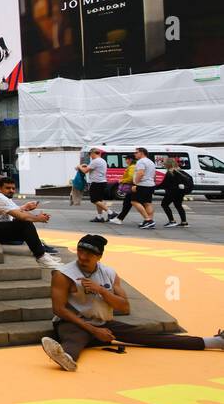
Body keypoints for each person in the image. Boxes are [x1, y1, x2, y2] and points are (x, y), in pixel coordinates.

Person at [41, 233, 224, 371]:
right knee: (74, 338)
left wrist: (102, 290)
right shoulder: (63, 274)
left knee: (148, 336)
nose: (82, 257)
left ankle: (214, 342)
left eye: (89, 254)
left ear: (99, 256)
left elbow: (124, 306)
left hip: (103, 323)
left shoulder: (110, 273)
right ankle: (66, 358)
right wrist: (93, 330)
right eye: (80, 251)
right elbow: (59, 309)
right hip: (73, 322)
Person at [0, 177, 64, 269]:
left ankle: (42, 253)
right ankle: (41, 257)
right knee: (25, 224)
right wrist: (38, 218)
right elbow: (21, 216)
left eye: (13, 188)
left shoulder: (4, 197)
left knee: (25, 226)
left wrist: (26, 207)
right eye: (8, 188)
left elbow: (17, 211)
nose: (11, 190)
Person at [130, 147, 157, 229]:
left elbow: (140, 173)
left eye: (136, 152)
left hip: (142, 185)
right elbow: (154, 174)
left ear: (141, 153)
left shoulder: (141, 162)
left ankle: (148, 219)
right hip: (150, 184)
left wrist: (136, 183)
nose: (134, 154)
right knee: (147, 203)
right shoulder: (150, 162)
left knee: (134, 201)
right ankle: (150, 221)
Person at [79, 147, 109, 223]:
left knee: (94, 200)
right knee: (99, 200)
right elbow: (92, 169)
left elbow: (85, 171)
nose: (90, 156)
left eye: (90, 154)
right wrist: (86, 166)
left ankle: (111, 213)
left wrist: (79, 167)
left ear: (93, 153)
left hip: (96, 183)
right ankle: (100, 217)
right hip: (102, 182)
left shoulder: (95, 161)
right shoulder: (102, 160)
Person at [162, 160, 193, 228]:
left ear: (168, 165)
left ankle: (172, 221)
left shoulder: (170, 172)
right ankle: (184, 222)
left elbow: (164, 184)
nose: (164, 166)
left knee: (164, 204)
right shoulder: (181, 171)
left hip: (172, 192)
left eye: (165, 165)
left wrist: (154, 187)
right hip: (180, 192)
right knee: (178, 206)